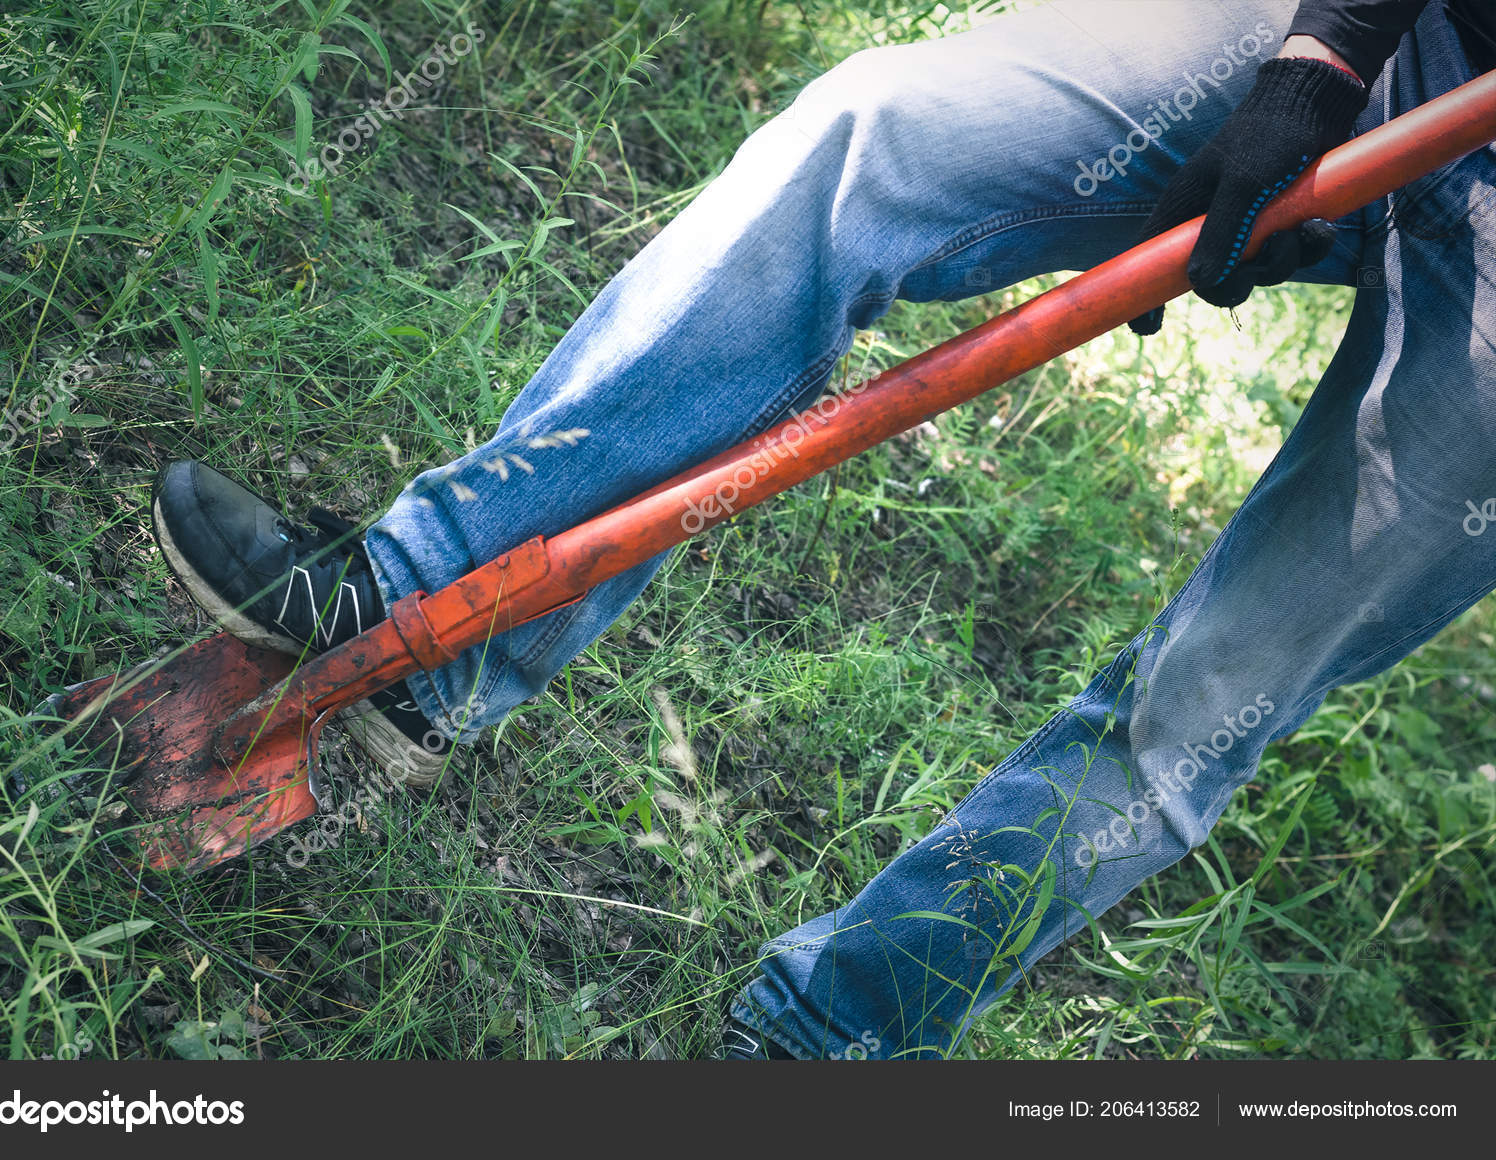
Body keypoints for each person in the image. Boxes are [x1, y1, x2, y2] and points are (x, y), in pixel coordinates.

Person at [149, 0, 1496, 1059]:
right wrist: (1322, 57)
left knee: (1227, 679)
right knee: (877, 138)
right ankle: (411, 613)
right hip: (1416, 35)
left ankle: (829, 1043)